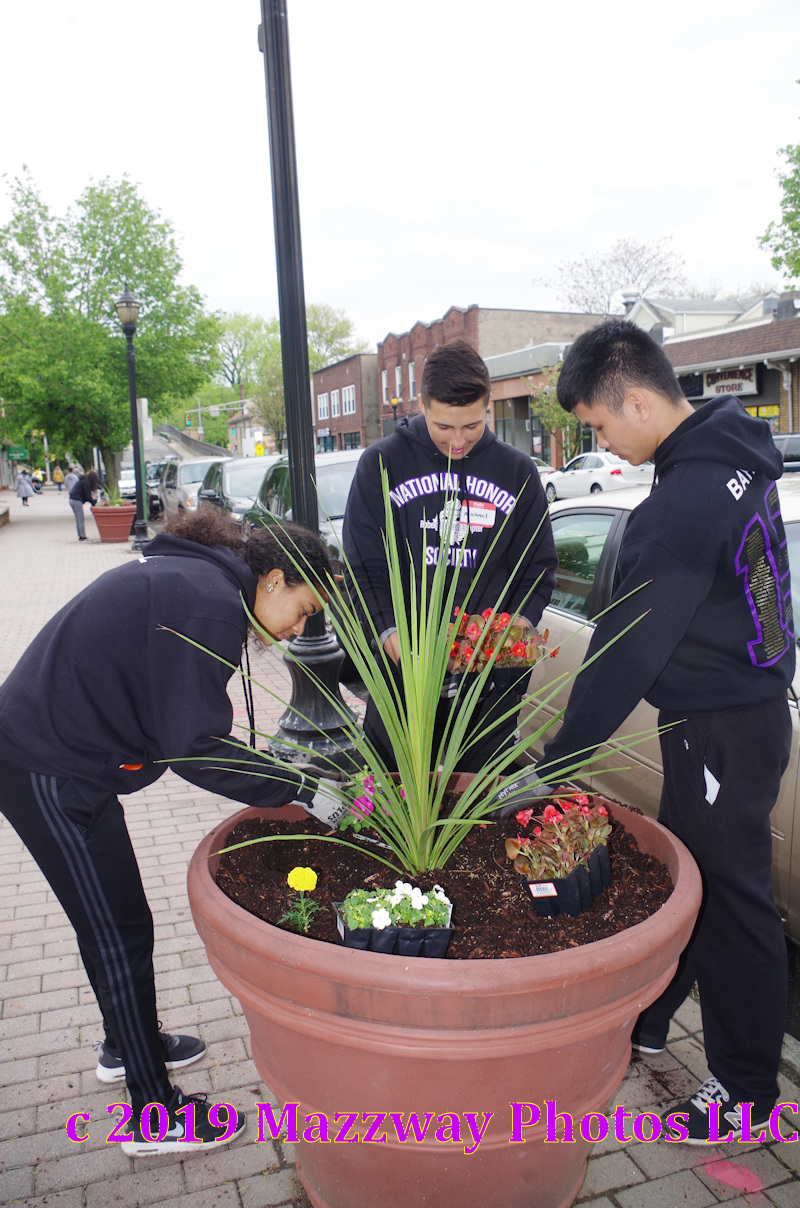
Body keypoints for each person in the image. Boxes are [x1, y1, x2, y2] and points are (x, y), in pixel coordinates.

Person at [526, 319, 795, 1144]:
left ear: (638, 400)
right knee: (689, 880)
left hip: (720, 729)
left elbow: (624, 654)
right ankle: (650, 1020)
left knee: (732, 906)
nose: (600, 444)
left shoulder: (680, 505)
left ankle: (746, 1096)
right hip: (740, 715)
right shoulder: (734, 454)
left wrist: (558, 759)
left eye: (601, 426)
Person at [0, 510, 342, 1155]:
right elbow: (197, 748)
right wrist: (303, 789)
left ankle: (126, 1046)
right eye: (302, 609)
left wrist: (286, 774)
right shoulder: (209, 602)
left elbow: (179, 721)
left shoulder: (198, 584)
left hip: (61, 760)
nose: (300, 628)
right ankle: (153, 1115)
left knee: (118, 922)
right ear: (271, 580)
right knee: (117, 930)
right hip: (48, 769)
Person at [343, 338, 557, 774]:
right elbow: (364, 567)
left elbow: (537, 566)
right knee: (395, 791)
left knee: (479, 802)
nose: (457, 441)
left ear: (488, 404)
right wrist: (390, 635)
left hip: (490, 679)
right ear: (422, 404)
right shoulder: (381, 464)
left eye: (472, 426)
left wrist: (513, 626)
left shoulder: (518, 472)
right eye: (443, 427)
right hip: (405, 673)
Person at [68, 469, 99, 540]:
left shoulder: (83, 481)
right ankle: (83, 536)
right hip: (77, 500)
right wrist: (93, 503)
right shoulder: (86, 483)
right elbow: (87, 495)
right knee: (81, 518)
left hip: (71, 499)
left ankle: (80, 535)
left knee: (78, 519)